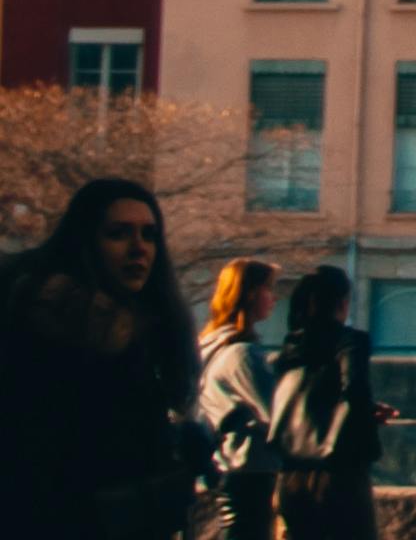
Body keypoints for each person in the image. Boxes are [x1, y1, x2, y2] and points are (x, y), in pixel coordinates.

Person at [0, 177, 200, 540]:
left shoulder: (144, 335)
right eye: (119, 233)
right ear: (87, 243)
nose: (139, 249)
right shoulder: (52, 338)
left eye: (149, 235)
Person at [252, 266, 384, 540]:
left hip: (292, 474)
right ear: (343, 303)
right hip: (339, 474)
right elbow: (354, 391)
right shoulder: (350, 341)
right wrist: (366, 419)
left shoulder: (291, 347)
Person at [193, 263, 274, 538]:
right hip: (249, 467)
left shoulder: (211, 345)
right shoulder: (242, 354)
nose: (273, 297)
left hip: (224, 464)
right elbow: (276, 414)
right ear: (250, 294)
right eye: (267, 288)